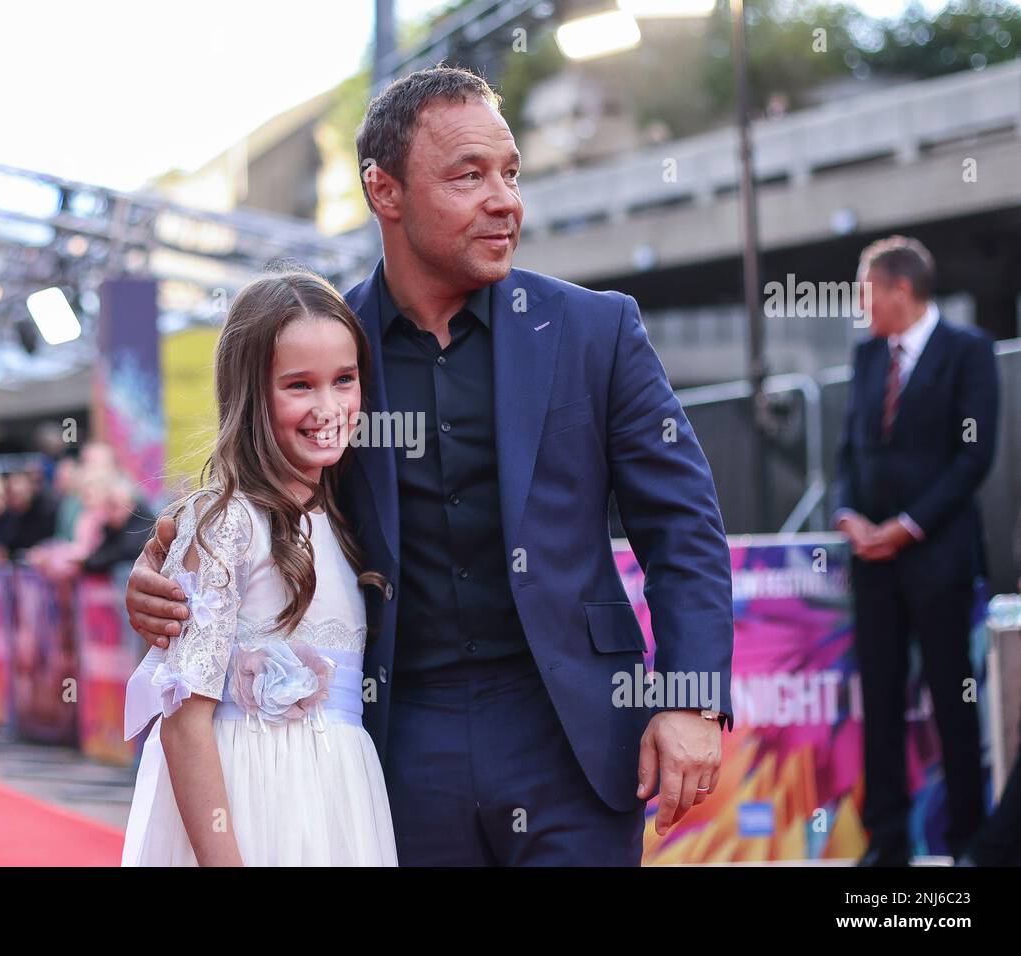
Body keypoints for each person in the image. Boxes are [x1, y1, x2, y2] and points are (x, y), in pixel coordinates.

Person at [126, 66, 733, 866]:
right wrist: (159, 583)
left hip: (574, 733)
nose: (505, 199)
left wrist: (690, 696)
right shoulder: (332, 351)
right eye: (469, 175)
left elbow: (683, 525)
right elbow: (256, 503)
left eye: (511, 172)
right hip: (396, 744)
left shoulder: (596, 330)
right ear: (385, 191)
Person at [121, 269, 397, 866]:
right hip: (251, 799)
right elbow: (183, 721)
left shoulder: (342, 515)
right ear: (249, 394)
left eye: (344, 380)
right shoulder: (228, 522)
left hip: (339, 799)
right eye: (299, 385)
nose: (329, 407)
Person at [832, 235, 1000, 865]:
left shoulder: (969, 352)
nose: (858, 303)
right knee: (879, 700)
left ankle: (966, 842)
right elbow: (849, 451)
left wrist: (905, 526)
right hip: (872, 567)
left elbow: (973, 458)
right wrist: (848, 516)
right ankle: (888, 839)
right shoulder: (867, 355)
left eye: (864, 289)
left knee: (953, 699)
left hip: (940, 561)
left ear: (899, 289)